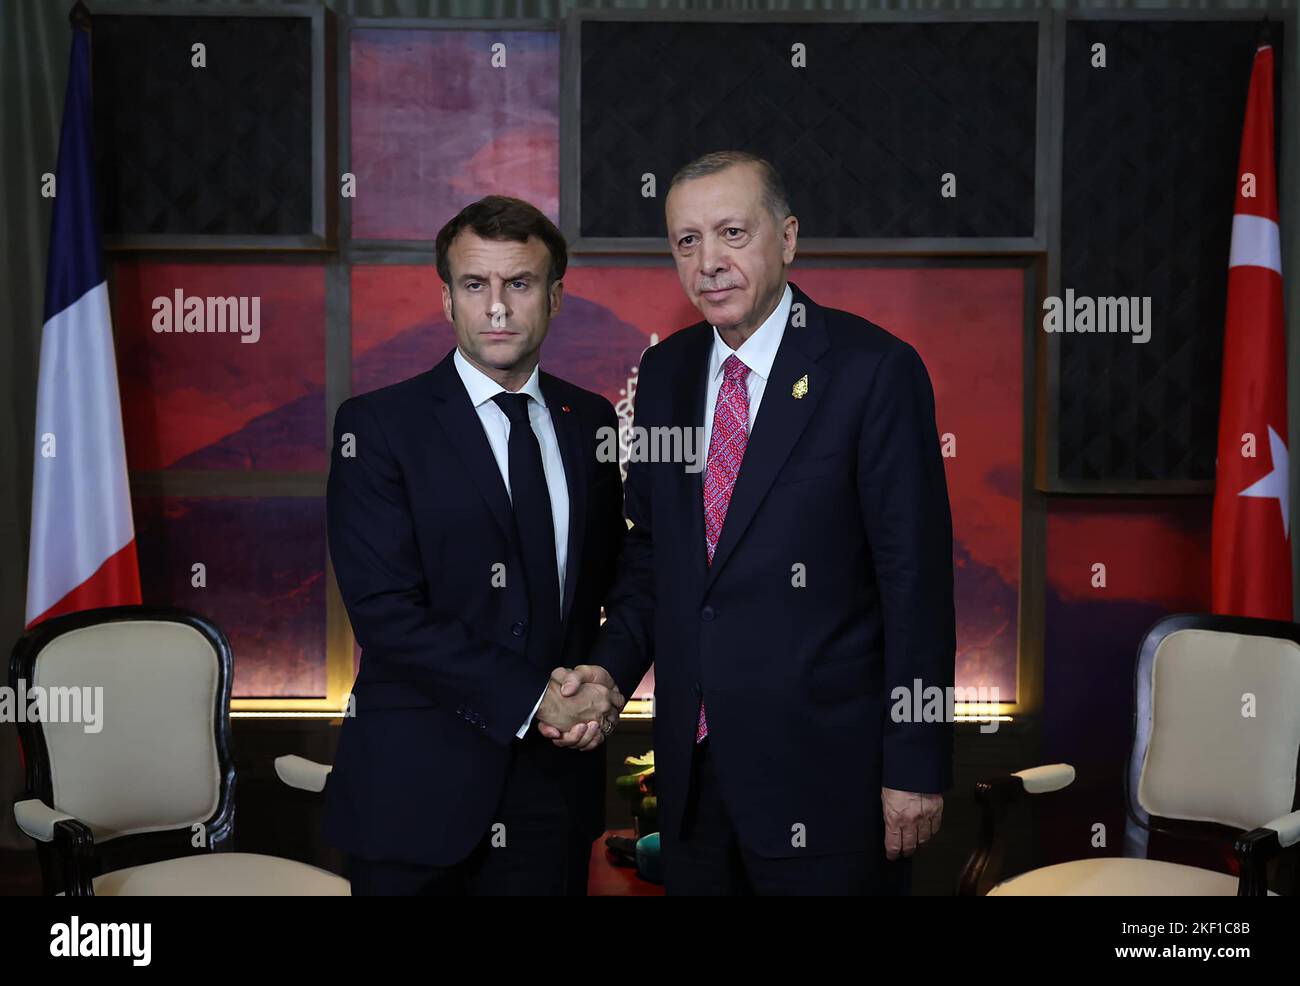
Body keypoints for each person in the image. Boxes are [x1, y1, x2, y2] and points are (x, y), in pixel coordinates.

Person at [544, 151, 956, 895]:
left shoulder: (873, 370)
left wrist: (916, 765)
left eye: (732, 232)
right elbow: (652, 561)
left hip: (831, 781)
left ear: (788, 237)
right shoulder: (666, 374)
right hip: (694, 787)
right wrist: (606, 672)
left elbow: (915, 582)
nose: (710, 262)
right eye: (687, 241)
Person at [324, 195, 626, 895]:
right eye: (474, 284)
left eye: (518, 284)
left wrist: (603, 682)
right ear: (446, 299)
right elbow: (386, 614)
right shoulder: (376, 427)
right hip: (414, 797)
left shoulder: (591, 422)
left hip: (553, 797)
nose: (496, 307)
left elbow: (615, 578)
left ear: (554, 297)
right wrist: (535, 699)